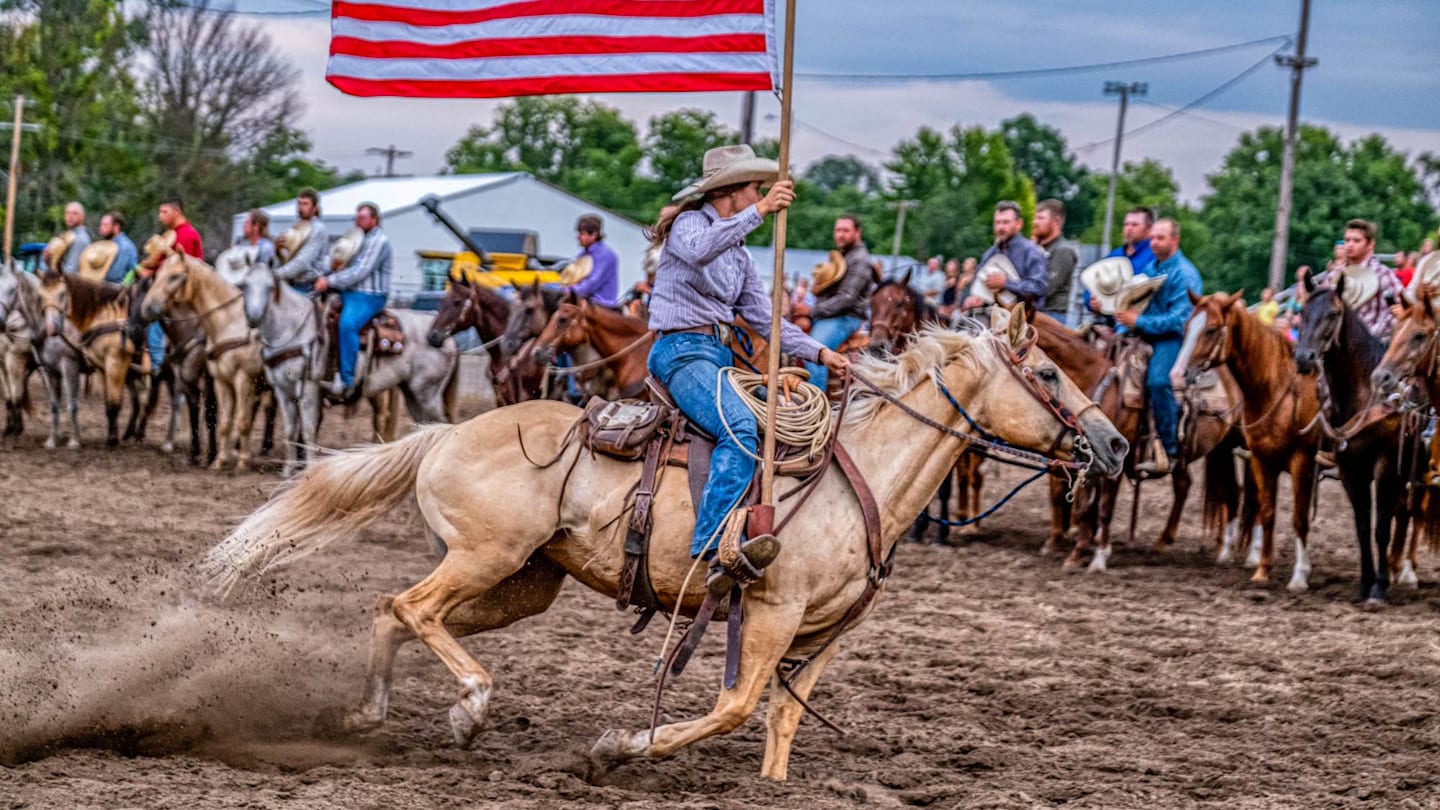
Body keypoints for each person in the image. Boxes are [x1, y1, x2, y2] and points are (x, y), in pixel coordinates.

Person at [646, 144, 847, 594]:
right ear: (732, 191)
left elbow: (765, 321)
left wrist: (819, 353)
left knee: (773, 425)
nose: (760, 193)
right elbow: (699, 251)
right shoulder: (689, 224)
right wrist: (760, 209)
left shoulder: (738, 256)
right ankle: (713, 544)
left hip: (716, 356)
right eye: (754, 187)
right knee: (738, 428)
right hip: (680, 350)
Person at [1122, 218, 1203, 477]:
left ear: (1174, 240)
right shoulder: (1150, 266)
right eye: (1153, 238)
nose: (1154, 242)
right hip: (1144, 333)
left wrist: (1139, 320)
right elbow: (1136, 300)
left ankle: (1169, 449)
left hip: (1172, 338)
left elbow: (1180, 319)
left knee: (1158, 380)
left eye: (1160, 238)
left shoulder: (1185, 273)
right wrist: (1115, 309)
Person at [316, 202, 392, 399]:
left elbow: (361, 271)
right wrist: (329, 267)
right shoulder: (355, 238)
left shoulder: (379, 241)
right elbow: (337, 258)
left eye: (363, 218)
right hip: (348, 292)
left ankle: (346, 378)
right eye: (357, 217)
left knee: (347, 325)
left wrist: (330, 280)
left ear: (375, 220)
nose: (358, 220)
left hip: (369, 295)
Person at [806, 214, 874, 391]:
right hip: (830, 315)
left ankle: (814, 406)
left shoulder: (860, 260)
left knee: (814, 351)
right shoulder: (844, 256)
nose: (840, 235)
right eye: (837, 230)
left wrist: (812, 311)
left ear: (857, 232)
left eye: (845, 230)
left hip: (846, 317)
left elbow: (847, 298)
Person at [140, 198, 205, 375]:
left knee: (153, 317)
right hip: (169, 290)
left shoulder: (186, 235)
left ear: (176, 212)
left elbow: (184, 269)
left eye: (164, 212)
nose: (160, 216)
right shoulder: (174, 234)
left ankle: (157, 363)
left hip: (178, 295)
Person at [1322, 219, 1403, 341]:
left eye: (1356, 241)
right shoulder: (1334, 275)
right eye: (1347, 240)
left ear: (1370, 244)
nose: (1350, 245)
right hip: (1338, 345)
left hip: (1375, 345)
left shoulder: (1383, 274)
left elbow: (1402, 308)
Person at [962, 201, 1048, 310]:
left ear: (1019, 224)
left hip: (1025, 320)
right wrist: (975, 299)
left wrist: (1006, 283)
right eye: (997, 222)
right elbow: (978, 283)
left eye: (1006, 222)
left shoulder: (1032, 251)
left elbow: (1039, 288)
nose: (1001, 227)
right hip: (990, 317)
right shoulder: (989, 254)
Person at [1033, 199, 1080, 325]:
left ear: (1056, 221)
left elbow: (1044, 289)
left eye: (1041, 218)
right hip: (1037, 315)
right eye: (1035, 218)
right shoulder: (1040, 248)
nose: (1035, 223)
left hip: (1051, 318)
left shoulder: (1063, 250)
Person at [274, 188, 329, 292]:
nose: (301, 207)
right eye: (299, 203)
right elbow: (288, 259)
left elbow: (302, 261)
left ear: (314, 208)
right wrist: (278, 251)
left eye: (305, 204)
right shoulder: (296, 227)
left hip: (308, 286)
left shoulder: (317, 229)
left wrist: (275, 275)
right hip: (292, 284)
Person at [565, 214, 619, 308]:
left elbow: (592, 283)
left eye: (582, 233)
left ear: (594, 235)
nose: (578, 237)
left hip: (602, 305)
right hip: (584, 302)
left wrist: (568, 291)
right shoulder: (582, 255)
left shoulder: (605, 256)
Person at [97, 211, 137, 285]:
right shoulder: (108, 244)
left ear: (116, 227)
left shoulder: (124, 247)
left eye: (105, 225)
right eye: (101, 225)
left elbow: (115, 275)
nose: (101, 228)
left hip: (116, 290)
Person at [52, 201, 91, 274]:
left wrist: (55, 263)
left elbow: (71, 272)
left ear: (82, 217)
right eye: (67, 213)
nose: (70, 216)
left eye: (75, 213)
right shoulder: (68, 235)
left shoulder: (80, 239)